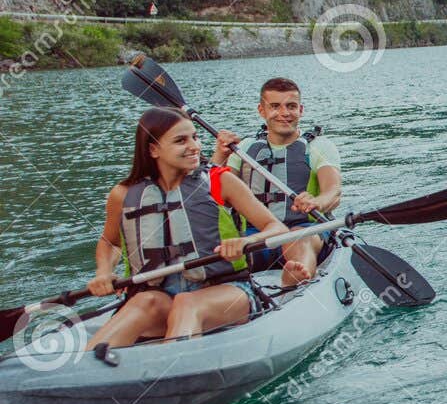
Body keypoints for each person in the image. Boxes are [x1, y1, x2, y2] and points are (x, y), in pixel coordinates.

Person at [87, 107, 318, 349]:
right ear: (153, 149)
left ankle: (173, 365)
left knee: (187, 303)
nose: (195, 146)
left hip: (226, 293)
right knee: (142, 303)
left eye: (195, 137)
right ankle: (84, 365)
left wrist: (245, 242)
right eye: (181, 141)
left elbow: (276, 227)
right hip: (161, 297)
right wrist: (103, 272)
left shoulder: (220, 180)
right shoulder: (123, 194)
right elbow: (110, 242)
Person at [211, 76, 341, 269]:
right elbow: (212, 191)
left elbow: (333, 192)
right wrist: (219, 157)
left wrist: (317, 202)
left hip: (305, 230)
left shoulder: (318, 147)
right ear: (261, 110)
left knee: (297, 239)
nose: (284, 113)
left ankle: (297, 276)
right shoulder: (244, 148)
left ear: (301, 110)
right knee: (221, 246)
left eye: (291, 106)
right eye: (275, 106)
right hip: (256, 235)